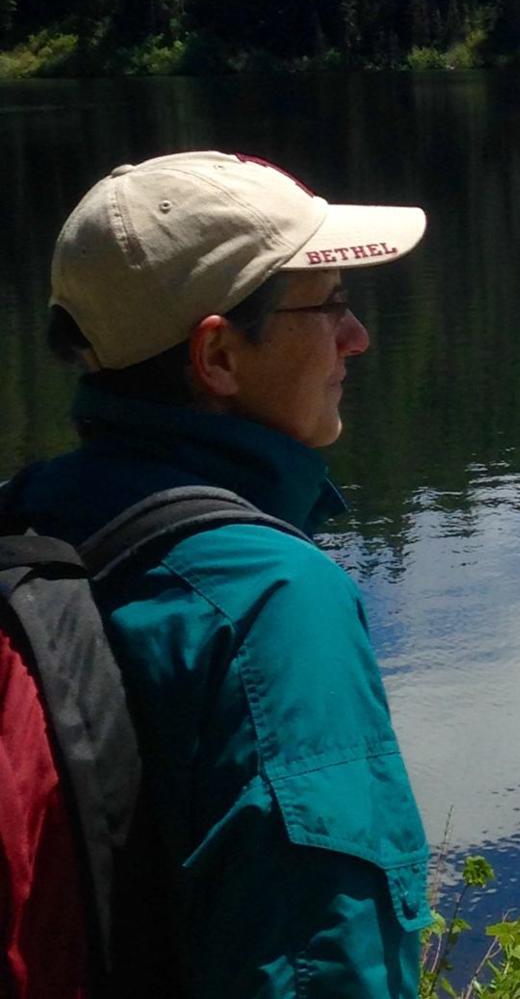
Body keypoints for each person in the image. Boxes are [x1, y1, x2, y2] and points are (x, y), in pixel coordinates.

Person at [5, 150, 433, 998]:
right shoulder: (274, 603)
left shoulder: (24, 518)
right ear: (219, 358)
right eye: (332, 305)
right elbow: (322, 970)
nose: (358, 337)